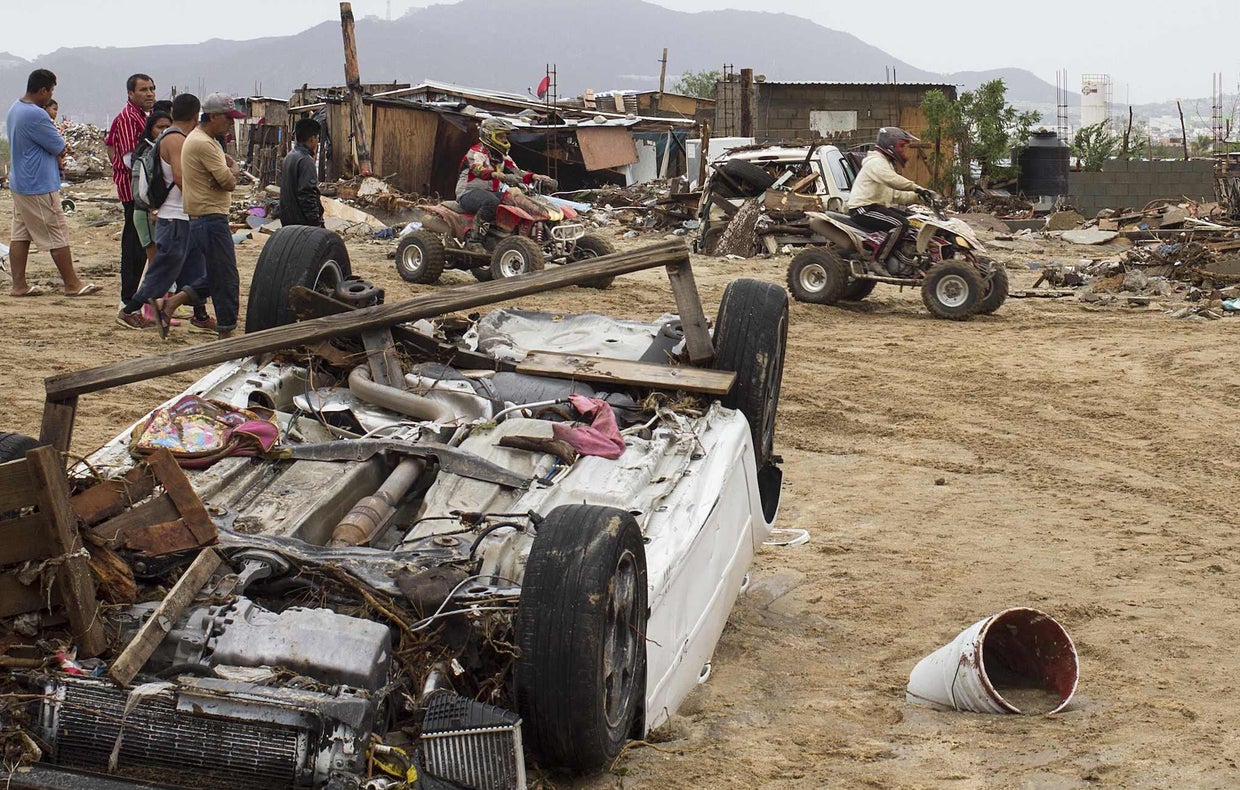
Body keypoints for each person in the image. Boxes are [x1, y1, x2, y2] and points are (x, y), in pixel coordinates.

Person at [119, 95, 214, 332]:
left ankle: (200, 314)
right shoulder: (175, 140)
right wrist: (200, 203)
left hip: (180, 215)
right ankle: (129, 310)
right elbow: (181, 178)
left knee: (195, 268)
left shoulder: (171, 137)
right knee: (164, 270)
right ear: (195, 115)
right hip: (175, 216)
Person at [5, 69, 98, 297]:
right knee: (57, 232)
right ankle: (72, 284)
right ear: (43, 90)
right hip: (38, 184)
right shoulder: (36, 114)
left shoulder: (15, 108)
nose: (51, 97)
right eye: (51, 91)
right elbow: (59, 146)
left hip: (20, 181)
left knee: (21, 234)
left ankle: (19, 285)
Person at [159, 92, 244, 339]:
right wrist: (234, 169)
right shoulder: (204, 143)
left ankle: (171, 304)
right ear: (213, 116)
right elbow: (228, 182)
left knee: (217, 274)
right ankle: (226, 332)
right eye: (227, 118)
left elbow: (222, 179)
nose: (231, 123)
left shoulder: (206, 140)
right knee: (226, 278)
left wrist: (225, 172)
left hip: (206, 217)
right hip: (209, 218)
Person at [845, 126, 936, 275]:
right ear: (890, 145)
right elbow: (893, 180)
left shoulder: (886, 165)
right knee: (901, 223)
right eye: (902, 147)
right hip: (863, 209)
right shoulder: (875, 162)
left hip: (877, 207)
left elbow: (896, 195)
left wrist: (919, 196)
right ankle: (878, 261)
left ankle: (906, 259)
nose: (904, 152)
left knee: (914, 221)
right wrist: (916, 188)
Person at [105, 73, 156, 304]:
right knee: (135, 245)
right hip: (134, 190)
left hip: (140, 189)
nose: (149, 93)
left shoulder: (145, 116)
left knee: (142, 244)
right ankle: (128, 299)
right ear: (130, 93)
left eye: (151, 89)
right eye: (143, 90)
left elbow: (110, 145)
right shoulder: (128, 118)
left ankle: (137, 297)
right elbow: (129, 159)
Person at [455, 118, 552, 239]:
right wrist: (500, 175)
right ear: (489, 136)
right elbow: (478, 170)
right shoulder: (476, 152)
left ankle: (512, 235)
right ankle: (474, 240)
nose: (504, 140)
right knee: (491, 202)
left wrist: (536, 177)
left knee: (517, 200)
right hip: (468, 193)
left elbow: (518, 173)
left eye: (505, 137)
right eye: (500, 137)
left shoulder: (503, 157)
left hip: (491, 193)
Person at [132, 110, 172, 266]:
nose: (164, 131)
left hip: (166, 214)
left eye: (168, 127)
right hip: (147, 214)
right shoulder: (145, 153)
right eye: (160, 127)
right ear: (150, 130)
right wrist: (153, 209)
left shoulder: (171, 150)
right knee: (156, 264)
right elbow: (139, 192)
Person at [279, 118, 323, 226]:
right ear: (312, 139)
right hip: (302, 223)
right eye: (317, 137)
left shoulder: (290, 156)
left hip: (288, 221)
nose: (317, 141)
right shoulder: (305, 160)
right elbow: (307, 195)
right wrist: (315, 222)